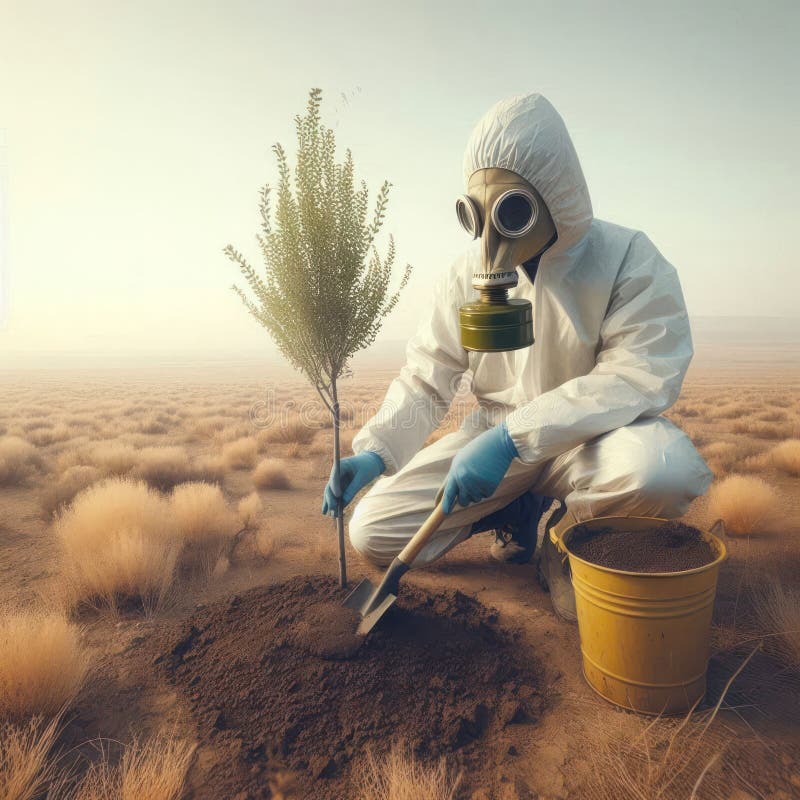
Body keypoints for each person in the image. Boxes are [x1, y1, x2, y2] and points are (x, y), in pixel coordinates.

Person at [321, 93, 712, 620]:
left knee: (660, 471)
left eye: (513, 211)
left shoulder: (625, 258)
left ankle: (567, 540)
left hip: (591, 441)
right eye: (476, 214)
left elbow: (638, 374)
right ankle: (512, 507)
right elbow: (426, 377)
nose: (490, 241)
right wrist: (376, 450)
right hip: (492, 444)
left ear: (558, 196)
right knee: (373, 531)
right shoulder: (464, 276)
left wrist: (519, 436)